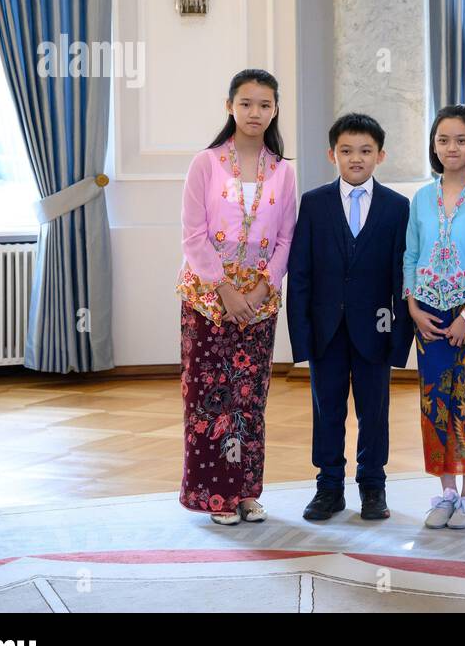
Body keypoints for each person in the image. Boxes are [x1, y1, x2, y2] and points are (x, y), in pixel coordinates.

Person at [176, 68, 297, 525]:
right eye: (246, 103)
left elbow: (286, 239)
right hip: (208, 299)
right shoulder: (205, 163)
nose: (255, 112)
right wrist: (224, 290)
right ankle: (213, 495)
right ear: (230, 106)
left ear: (275, 110)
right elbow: (193, 235)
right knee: (210, 397)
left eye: (265, 104)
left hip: (259, 304)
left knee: (249, 398)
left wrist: (263, 288)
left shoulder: (283, 172)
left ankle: (246, 491)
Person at [287, 113, 412, 523]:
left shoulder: (397, 208)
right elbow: (300, 274)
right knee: (328, 410)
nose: (355, 158)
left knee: (374, 410)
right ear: (332, 155)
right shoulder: (314, 203)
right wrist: (301, 339)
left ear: (380, 155)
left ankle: (373, 485)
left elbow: (402, 277)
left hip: (375, 328)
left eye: (365, 151)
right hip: (326, 330)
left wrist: (400, 338)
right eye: (346, 151)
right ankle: (329, 486)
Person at [404, 105, 465, 530]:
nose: (451, 147)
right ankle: (444, 492)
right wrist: (412, 306)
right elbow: (410, 253)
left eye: (461, 140)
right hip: (428, 316)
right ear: (434, 145)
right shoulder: (421, 197)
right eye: (443, 140)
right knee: (435, 402)